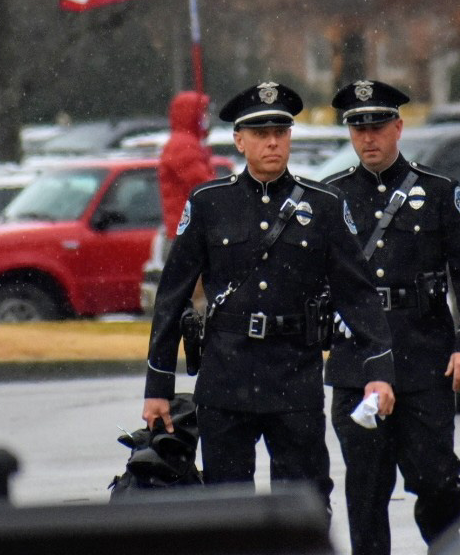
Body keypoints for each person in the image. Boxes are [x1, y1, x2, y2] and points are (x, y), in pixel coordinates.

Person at [143, 81, 396, 512]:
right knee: (227, 510)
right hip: (226, 376)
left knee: (304, 506)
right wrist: (158, 386)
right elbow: (173, 296)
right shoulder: (209, 202)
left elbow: (357, 294)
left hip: (294, 375)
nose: (273, 142)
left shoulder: (324, 205)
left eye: (281, 132)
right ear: (239, 141)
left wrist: (379, 369)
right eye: (260, 134)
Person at [323, 80, 460, 555]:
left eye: (377, 127)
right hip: (357, 360)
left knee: (436, 478)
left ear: (398, 128)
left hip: (423, 354)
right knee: (366, 487)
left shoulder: (437, 192)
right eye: (358, 129)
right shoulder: (331, 197)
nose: (368, 137)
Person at [158, 90, 215, 244]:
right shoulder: (184, 145)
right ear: (192, 114)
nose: (206, 117)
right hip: (187, 231)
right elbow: (204, 185)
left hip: (185, 228)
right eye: (203, 112)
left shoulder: (185, 142)